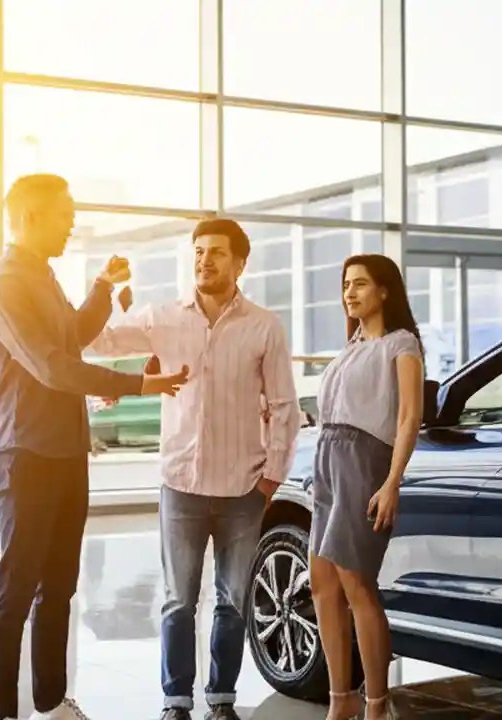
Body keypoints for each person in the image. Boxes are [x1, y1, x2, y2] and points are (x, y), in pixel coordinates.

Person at [0, 173, 190, 720]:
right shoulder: (4, 284)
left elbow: (72, 335)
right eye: (64, 214)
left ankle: (50, 703)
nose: (72, 223)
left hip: (66, 448)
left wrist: (100, 288)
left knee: (61, 584)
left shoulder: (43, 278)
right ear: (29, 217)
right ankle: (1, 712)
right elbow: (51, 366)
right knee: (17, 585)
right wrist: (137, 385)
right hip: (25, 450)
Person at [88, 218, 301, 720]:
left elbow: (285, 405)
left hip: (242, 488)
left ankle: (222, 701)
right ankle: (175, 703)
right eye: (199, 251)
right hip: (180, 484)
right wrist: (103, 289)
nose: (205, 259)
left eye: (217, 252)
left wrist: (271, 475)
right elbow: (99, 343)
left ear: (240, 262)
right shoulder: (162, 317)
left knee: (233, 602)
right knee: (177, 602)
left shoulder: (264, 326)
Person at [310, 254, 424, 720]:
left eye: (359, 284)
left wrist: (392, 482)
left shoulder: (402, 344)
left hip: (365, 462)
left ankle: (377, 704)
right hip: (326, 459)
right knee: (321, 582)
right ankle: (342, 700)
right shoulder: (352, 346)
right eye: (345, 285)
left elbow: (409, 417)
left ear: (384, 291)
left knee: (357, 583)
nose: (349, 293)